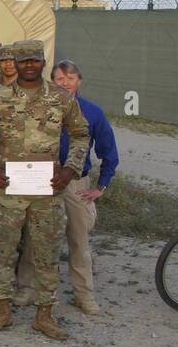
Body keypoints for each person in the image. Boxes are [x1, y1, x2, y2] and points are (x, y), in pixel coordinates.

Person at [0, 40, 90, 340]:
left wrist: (69, 169)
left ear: (42, 62)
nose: (29, 65)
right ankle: (2, 309)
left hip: (46, 191)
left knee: (47, 253)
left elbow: (80, 134)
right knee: (2, 253)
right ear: (12, 62)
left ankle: (44, 314)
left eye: (35, 60)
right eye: (23, 60)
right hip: (7, 190)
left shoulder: (62, 99)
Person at [15, 59, 118, 315]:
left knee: (78, 240)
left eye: (70, 78)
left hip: (75, 184)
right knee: (34, 237)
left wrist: (101, 186)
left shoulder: (92, 113)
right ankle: (27, 288)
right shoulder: (37, 107)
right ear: (52, 81)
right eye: (59, 79)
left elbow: (109, 152)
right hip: (41, 180)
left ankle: (84, 295)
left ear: (79, 81)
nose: (65, 83)